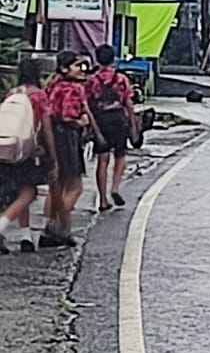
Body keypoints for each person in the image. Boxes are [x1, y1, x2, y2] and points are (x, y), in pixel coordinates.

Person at [0, 58, 57, 253]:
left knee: (19, 192)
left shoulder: (12, 94)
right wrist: (52, 154)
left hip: (9, 147)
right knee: (29, 193)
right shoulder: (39, 96)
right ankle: (2, 225)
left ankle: (25, 235)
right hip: (30, 150)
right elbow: (47, 128)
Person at [41, 51, 95, 248]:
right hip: (67, 137)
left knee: (56, 186)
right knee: (75, 186)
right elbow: (67, 116)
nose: (82, 71)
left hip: (51, 136)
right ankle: (60, 228)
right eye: (77, 66)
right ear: (65, 68)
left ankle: (49, 227)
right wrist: (81, 121)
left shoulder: (52, 84)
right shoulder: (73, 89)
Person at [85, 44, 139, 212]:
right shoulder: (121, 79)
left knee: (102, 160)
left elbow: (87, 103)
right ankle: (115, 187)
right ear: (113, 58)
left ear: (97, 59)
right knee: (121, 155)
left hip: (100, 120)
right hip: (118, 119)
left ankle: (102, 200)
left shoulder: (91, 80)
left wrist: (90, 126)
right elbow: (128, 103)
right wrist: (134, 125)